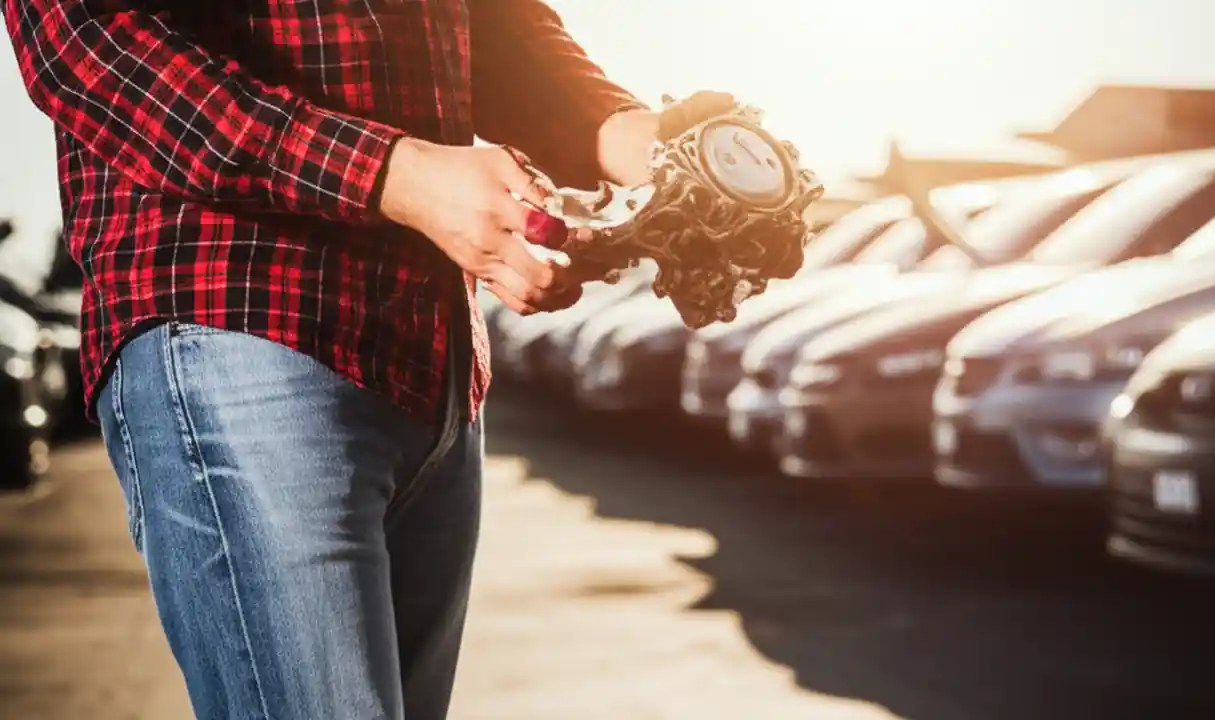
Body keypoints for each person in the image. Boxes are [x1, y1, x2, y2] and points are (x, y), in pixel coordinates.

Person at [4, 2, 731, 718]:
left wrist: (640, 140)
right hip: (240, 314)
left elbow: (493, 25)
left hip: (429, 358)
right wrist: (400, 176)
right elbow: (100, 46)